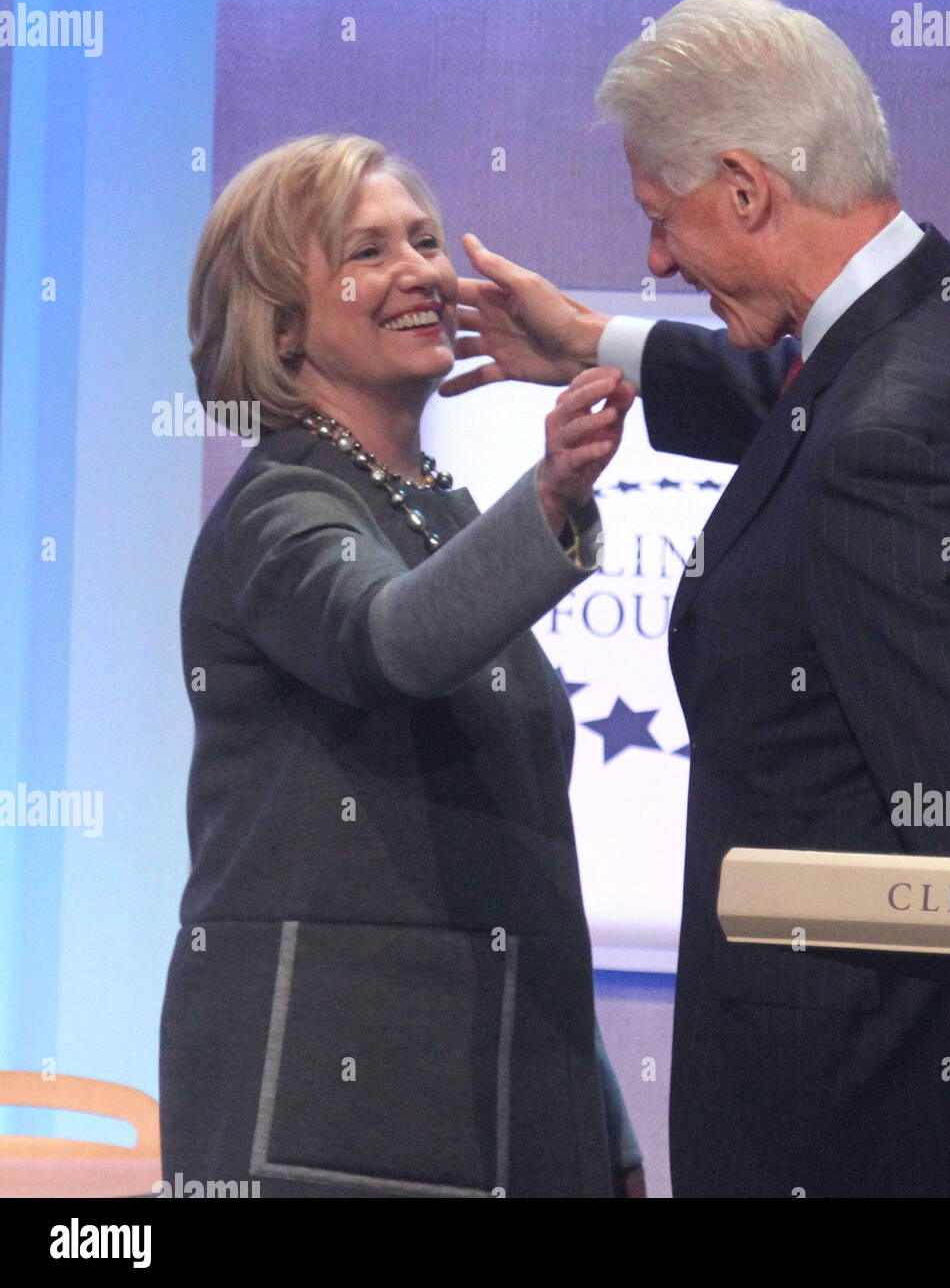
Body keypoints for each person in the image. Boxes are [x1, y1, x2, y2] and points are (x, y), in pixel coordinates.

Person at [441, 0, 950, 1197]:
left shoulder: (879, 442)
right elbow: (811, 409)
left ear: (746, 188)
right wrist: (595, 339)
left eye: (659, 216)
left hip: (857, 1119)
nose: (652, 258)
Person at [160, 133, 643, 1197]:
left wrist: (598, 1118)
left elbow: (520, 859)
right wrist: (552, 498)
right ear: (281, 325)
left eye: (425, 241)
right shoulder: (281, 506)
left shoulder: (425, 510)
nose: (422, 270)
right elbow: (392, 641)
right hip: (332, 1125)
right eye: (367, 250)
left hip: (504, 1108)